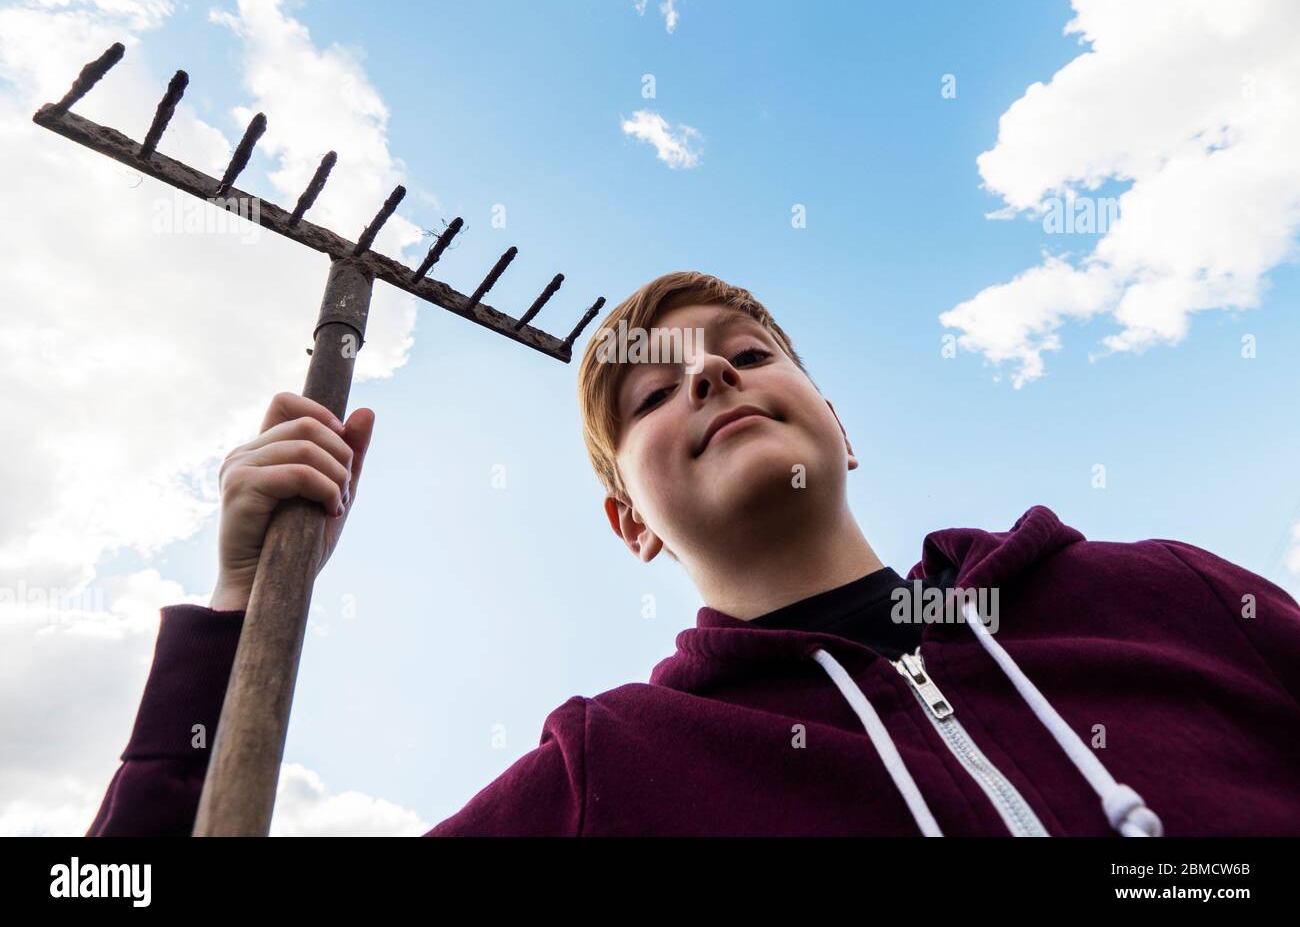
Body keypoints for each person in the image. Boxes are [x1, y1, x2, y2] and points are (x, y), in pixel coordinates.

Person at [87, 271, 1300, 836]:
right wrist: (234, 619)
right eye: (652, 392)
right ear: (631, 525)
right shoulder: (607, 782)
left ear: (842, 428)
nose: (710, 371)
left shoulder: (1159, 595)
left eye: (747, 352)